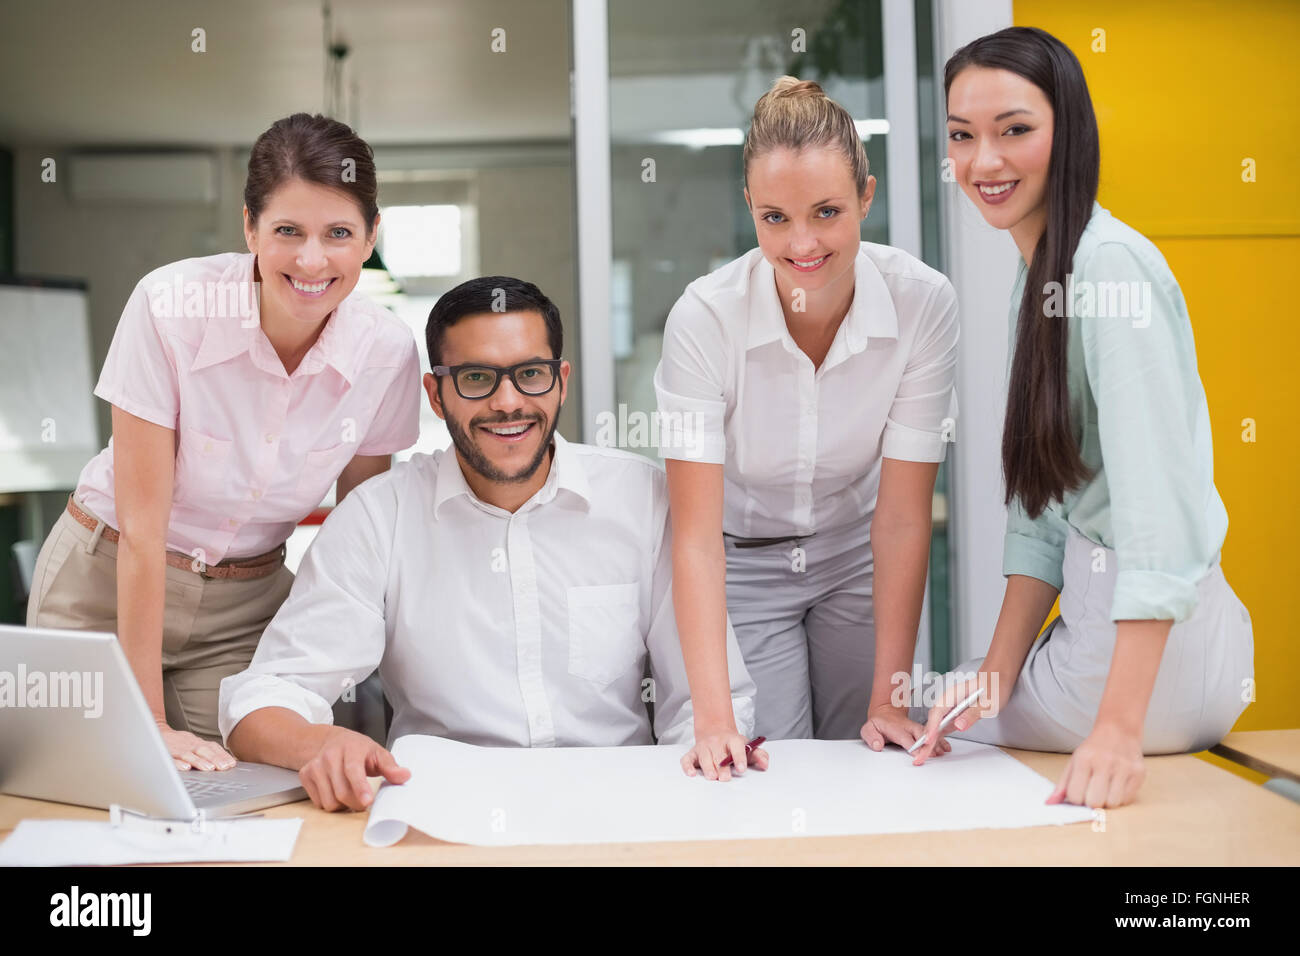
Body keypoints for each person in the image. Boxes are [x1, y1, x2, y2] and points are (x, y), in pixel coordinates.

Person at [218, 276, 759, 812]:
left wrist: (687, 795)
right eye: (477, 377)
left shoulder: (642, 499)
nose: (508, 402)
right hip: (447, 816)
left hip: (620, 809)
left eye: (530, 375)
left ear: (561, 381)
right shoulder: (378, 519)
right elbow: (261, 703)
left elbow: (707, 704)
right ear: (435, 394)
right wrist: (323, 742)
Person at [912, 27, 1254, 810]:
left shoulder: (1108, 268)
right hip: (1145, 642)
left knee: (917, 713)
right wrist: (995, 674)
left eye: (1015, 130)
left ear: (1070, 131)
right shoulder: (1044, 276)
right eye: (962, 136)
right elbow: (1042, 514)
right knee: (957, 694)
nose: (984, 162)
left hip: (1146, 653)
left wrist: (1116, 729)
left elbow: (1158, 513)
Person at [27, 113, 421, 772]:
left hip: (246, 608)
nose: (312, 260)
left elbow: (361, 536)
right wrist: (146, 722)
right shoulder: (170, 306)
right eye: (287, 231)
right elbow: (144, 534)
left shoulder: (386, 351)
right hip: (107, 578)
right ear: (249, 228)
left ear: (371, 235)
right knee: (92, 783)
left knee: (249, 790)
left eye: (339, 234)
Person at [654, 76, 960, 780]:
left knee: (877, 755)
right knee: (771, 766)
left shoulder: (922, 303)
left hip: (857, 555)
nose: (803, 244)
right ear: (749, 210)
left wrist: (890, 698)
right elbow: (693, 537)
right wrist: (713, 719)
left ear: (868, 197)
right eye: (775, 218)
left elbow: (905, 518)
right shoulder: (704, 318)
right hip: (745, 562)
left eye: (826, 212)